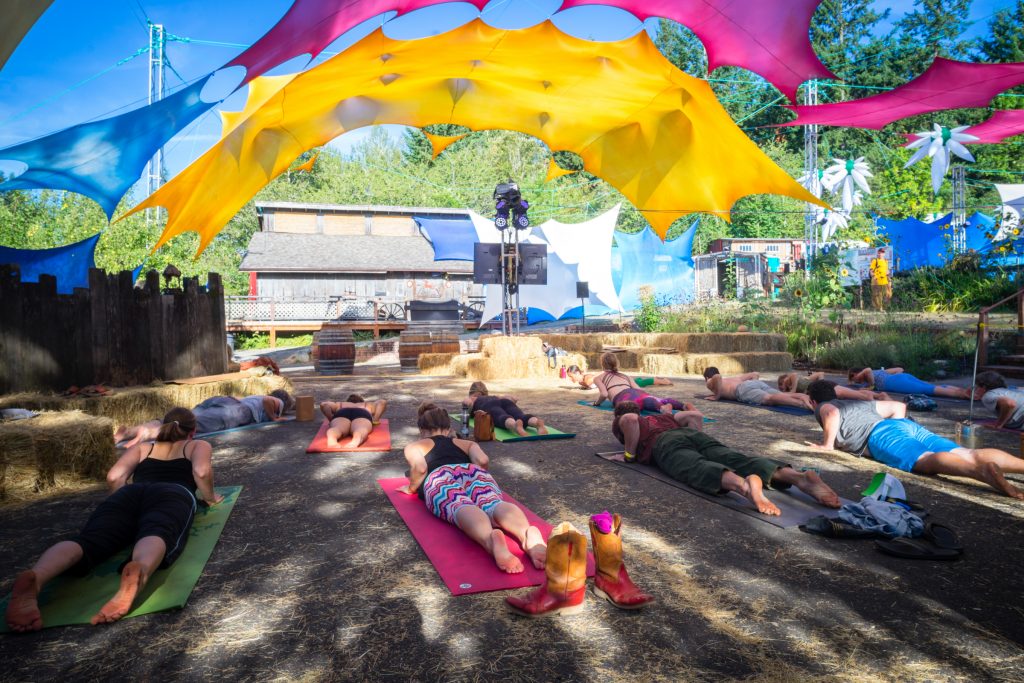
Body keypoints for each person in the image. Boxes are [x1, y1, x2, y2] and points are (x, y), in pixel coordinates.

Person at [5, 408, 222, 632]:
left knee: (89, 540)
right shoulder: (197, 445)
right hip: (173, 493)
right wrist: (211, 498)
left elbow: (114, 477)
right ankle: (141, 569)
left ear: (163, 427)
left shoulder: (143, 447)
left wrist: (124, 507)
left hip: (129, 494)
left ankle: (38, 576)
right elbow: (202, 472)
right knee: (157, 530)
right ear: (192, 431)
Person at [807, 380, 1024, 499]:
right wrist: (899, 428)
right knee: (967, 453)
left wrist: (827, 446)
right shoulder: (858, 404)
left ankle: (981, 471)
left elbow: (830, 413)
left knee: (926, 460)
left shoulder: (823, 406)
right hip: (904, 425)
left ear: (812, 400)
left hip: (880, 435)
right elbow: (898, 406)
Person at [612, 401, 840, 515]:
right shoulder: (663, 417)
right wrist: (698, 439)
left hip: (665, 444)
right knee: (737, 458)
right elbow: (694, 415)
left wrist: (629, 455)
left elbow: (630, 420)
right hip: (692, 435)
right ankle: (797, 477)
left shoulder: (629, 418)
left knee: (696, 466)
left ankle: (744, 487)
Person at [397, 403, 547, 573]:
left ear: (421, 430)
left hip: (440, 476)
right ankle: (527, 534)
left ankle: (490, 540)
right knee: (493, 503)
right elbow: (482, 461)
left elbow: (420, 468)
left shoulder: (414, 446)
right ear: (447, 429)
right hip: (472, 472)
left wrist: (411, 488)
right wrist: (477, 482)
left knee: (461, 505)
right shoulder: (464, 443)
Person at [114, 389, 295, 448]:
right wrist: (274, 417)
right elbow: (267, 401)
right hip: (237, 411)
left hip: (224, 401)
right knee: (189, 426)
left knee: (181, 419)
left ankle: (129, 432)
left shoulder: (253, 396)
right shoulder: (277, 400)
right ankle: (148, 434)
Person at [592, 353, 689, 413]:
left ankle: (663, 409)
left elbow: (604, 394)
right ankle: (682, 406)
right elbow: (639, 389)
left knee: (631, 409)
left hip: (623, 398)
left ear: (602, 364)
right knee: (650, 400)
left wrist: (597, 403)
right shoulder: (625, 376)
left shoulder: (598, 377)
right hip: (637, 393)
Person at [703, 367, 813, 411]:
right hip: (753, 383)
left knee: (770, 399)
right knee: (782, 395)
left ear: (707, 377)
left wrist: (717, 396)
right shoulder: (733, 378)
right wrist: (754, 383)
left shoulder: (710, 381)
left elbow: (717, 377)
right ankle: (802, 396)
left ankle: (801, 404)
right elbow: (755, 373)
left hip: (742, 390)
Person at [464, 381, 548, 437]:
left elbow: (467, 404)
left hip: (489, 405)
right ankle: (536, 422)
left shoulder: (473, 398)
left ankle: (515, 425)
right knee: (520, 415)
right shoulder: (495, 396)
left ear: (471, 392)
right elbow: (513, 399)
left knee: (501, 416)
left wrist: (468, 407)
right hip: (504, 401)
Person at [847, 367, 972, 399]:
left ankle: (962, 395)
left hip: (894, 382)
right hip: (902, 377)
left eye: (854, 376)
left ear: (858, 372)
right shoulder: (879, 372)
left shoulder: (869, 374)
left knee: (929, 390)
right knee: (931, 387)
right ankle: (962, 391)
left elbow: (867, 370)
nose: (855, 380)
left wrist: (871, 386)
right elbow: (899, 370)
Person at [319, 394, 386, 448]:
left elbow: (324, 404)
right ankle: (356, 440)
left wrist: (331, 419)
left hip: (342, 412)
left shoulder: (340, 404)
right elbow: (382, 402)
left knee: (337, 428)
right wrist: (376, 419)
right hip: (362, 412)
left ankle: (332, 439)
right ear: (361, 401)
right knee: (361, 429)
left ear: (347, 401)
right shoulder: (367, 404)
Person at [778, 371, 889, 401]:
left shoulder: (790, 379)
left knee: (852, 394)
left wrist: (792, 390)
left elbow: (793, 375)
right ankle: (877, 396)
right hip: (820, 389)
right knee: (846, 395)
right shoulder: (800, 382)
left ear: (783, 380)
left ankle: (877, 396)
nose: (781, 388)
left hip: (820, 387)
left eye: (780, 385)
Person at [567, 365, 671, 390]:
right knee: (637, 381)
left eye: (571, 376)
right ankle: (657, 379)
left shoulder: (587, 379)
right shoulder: (582, 382)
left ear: (577, 373)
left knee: (639, 383)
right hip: (613, 381)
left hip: (614, 381)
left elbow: (599, 374)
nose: (570, 379)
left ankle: (663, 381)